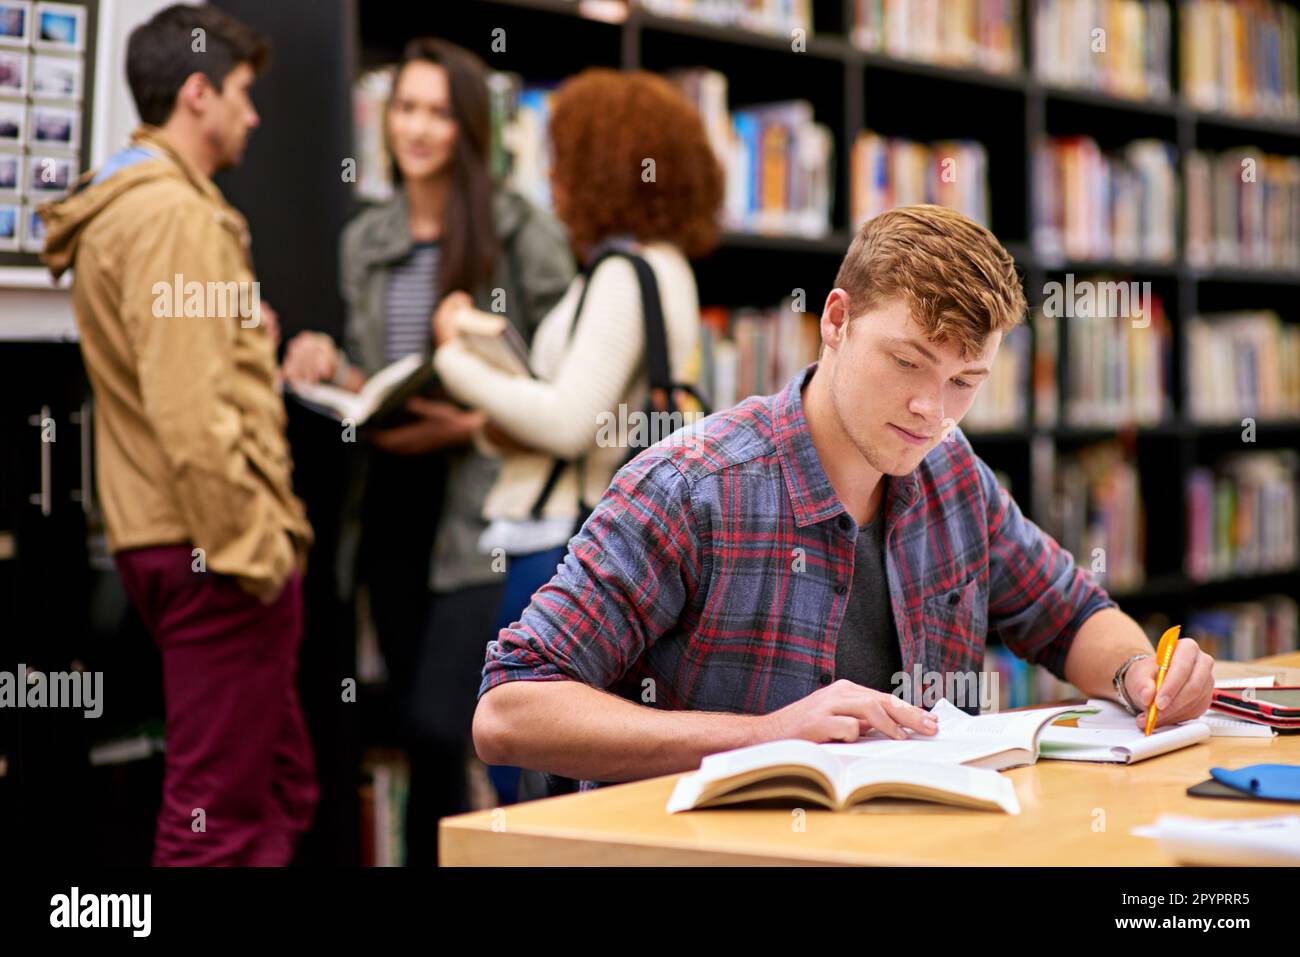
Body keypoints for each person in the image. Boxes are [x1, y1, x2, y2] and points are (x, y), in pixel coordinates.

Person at [469, 204, 1217, 788]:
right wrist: (766, 736)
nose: (932, 410)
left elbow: (1070, 614)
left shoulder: (952, 474)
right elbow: (509, 710)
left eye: (964, 383)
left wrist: (1137, 674)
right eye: (907, 362)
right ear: (835, 320)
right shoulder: (691, 485)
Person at [281, 38, 572, 864]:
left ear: (472, 126)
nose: (416, 126)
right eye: (404, 106)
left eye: (439, 111)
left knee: (453, 722)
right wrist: (328, 366)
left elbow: (561, 384)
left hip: (484, 501)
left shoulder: (522, 232)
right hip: (388, 500)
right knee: (414, 724)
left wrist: (471, 421)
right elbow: (381, 369)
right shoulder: (366, 235)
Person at [39, 4, 317, 865]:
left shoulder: (133, 206)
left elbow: (178, 370)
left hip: (171, 538)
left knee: (273, 786)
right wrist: (254, 548)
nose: (253, 115)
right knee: (215, 822)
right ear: (197, 94)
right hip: (213, 549)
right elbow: (191, 416)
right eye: (241, 94)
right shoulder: (174, 217)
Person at [431, 69, 723, 798]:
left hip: (560, 535)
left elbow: (570, 420)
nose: (552, 175)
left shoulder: (624, 273)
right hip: (586, 521)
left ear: (603, 164)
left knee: (518, 748)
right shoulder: (668, 268)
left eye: (564, 156)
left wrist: (452, 358)